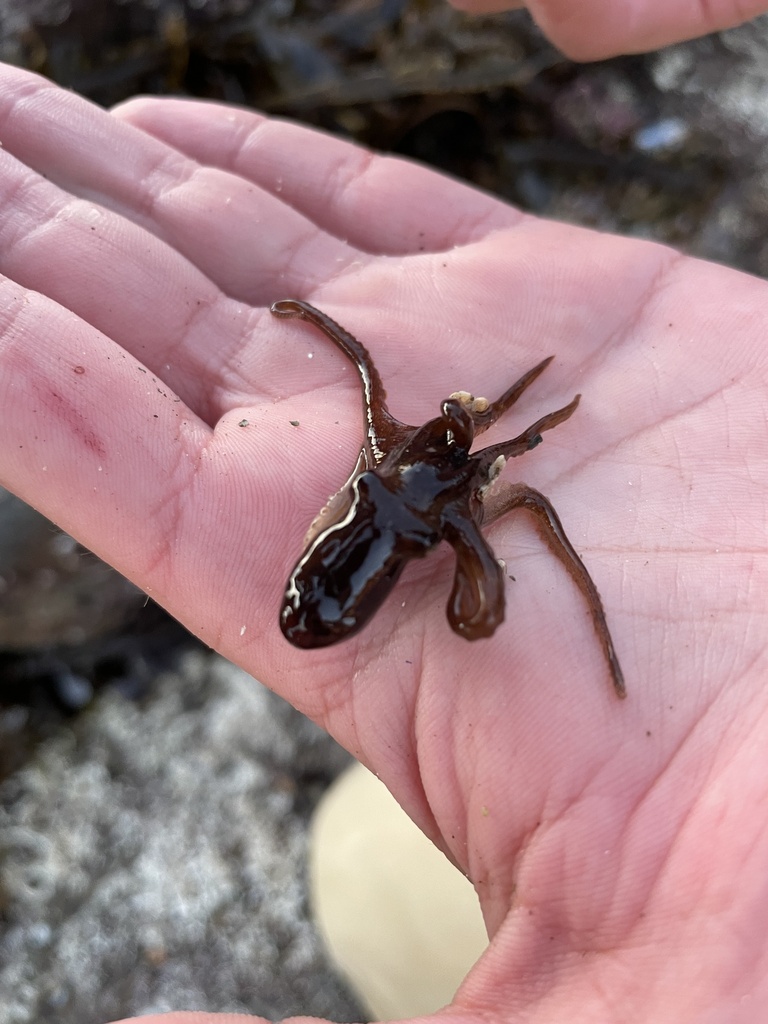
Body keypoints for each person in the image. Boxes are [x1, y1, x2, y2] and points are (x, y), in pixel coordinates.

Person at [1, 2, 767, 1022]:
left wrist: (322, 326)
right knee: (364, 877)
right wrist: (316, 319)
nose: (462, 435)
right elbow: (367, 373)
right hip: (343, 589)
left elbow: (368, 373)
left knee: (362, 878)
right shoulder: (445, 501)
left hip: (363, 582)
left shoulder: (422, 482)